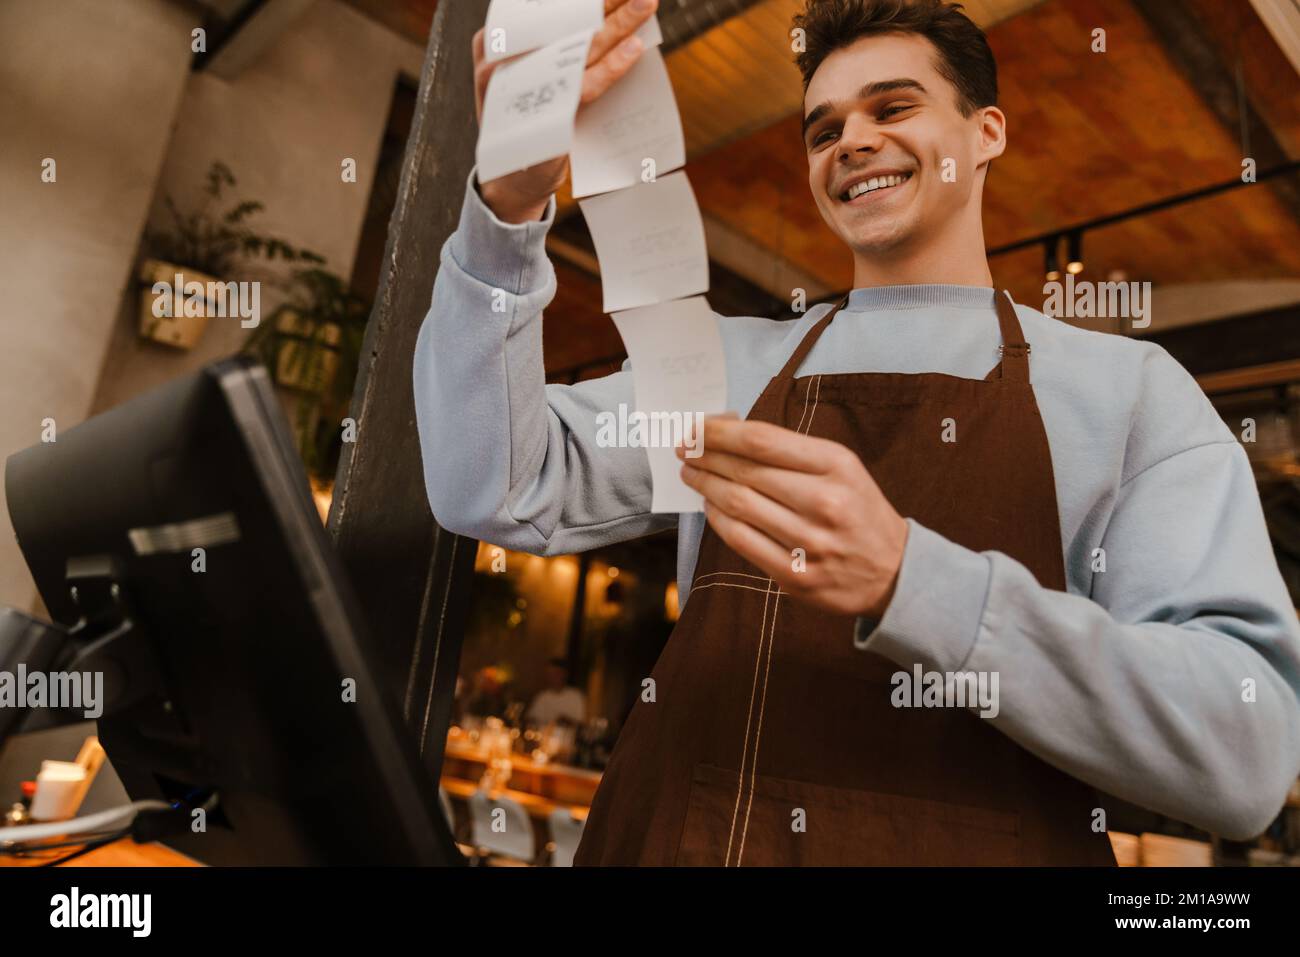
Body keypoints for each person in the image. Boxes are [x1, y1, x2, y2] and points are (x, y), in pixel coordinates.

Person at [414, 0, 1300, 864]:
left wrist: (913, 581)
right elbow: (487, 479)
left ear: (987, 132)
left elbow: (1246, 753)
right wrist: (507, 212)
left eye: (894, 106)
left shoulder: (1131, 394)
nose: (853, 142)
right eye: (823, 128)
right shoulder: (720, 366)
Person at [526, 658, 587, 727]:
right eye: (550, 674)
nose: (553, 677)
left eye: (556, 673)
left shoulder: (576, 696)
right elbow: (531, 719)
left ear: (564, 674)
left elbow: (581, 724)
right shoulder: (542, 696)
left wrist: (567, 721)